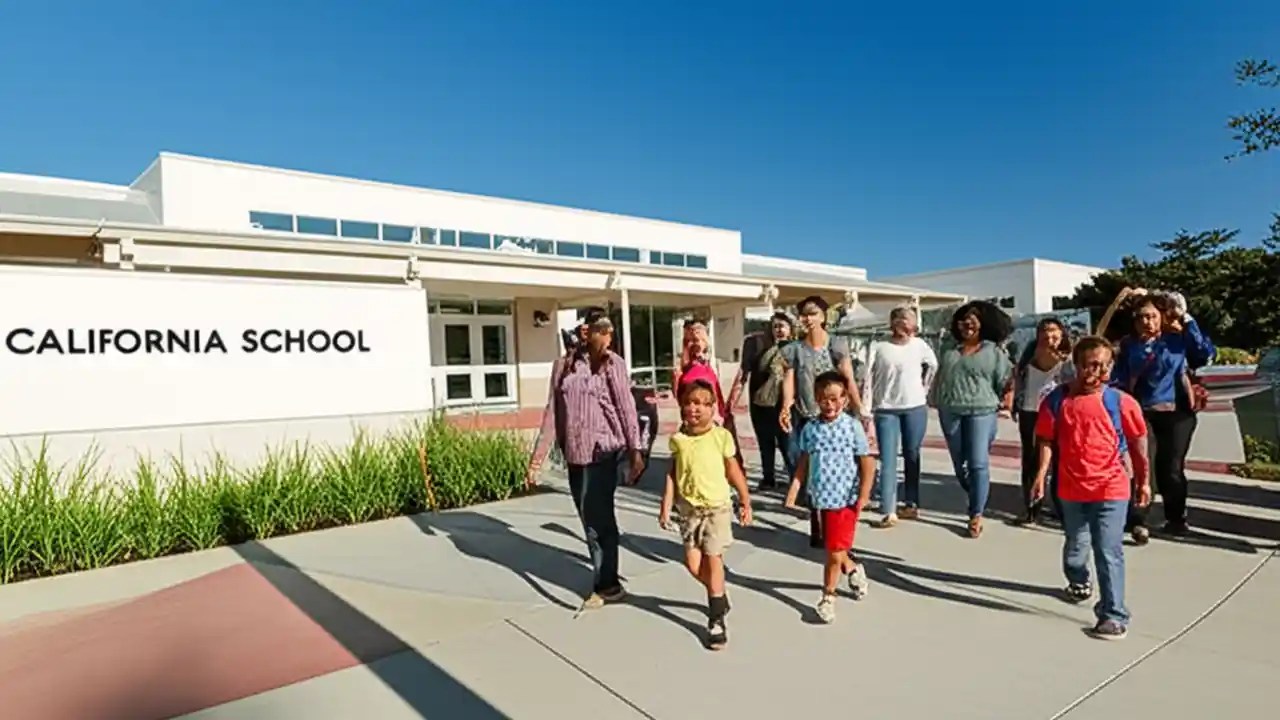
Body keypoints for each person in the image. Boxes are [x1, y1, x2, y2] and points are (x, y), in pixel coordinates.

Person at [1031, 336, 1151, 640]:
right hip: (1071, 489)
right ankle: (1078, 580)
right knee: (1075, 549)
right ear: (1076, 366)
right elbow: (1045, 439)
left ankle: (1113, 614)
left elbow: (1139, 443)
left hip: (1111, 486)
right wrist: (1041, 475)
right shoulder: (1057, 401)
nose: (1095, 372)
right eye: (1088, 365)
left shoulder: (1121, 402)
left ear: (1111, 368)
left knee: (1108, 550)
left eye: (1102, 365)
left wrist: (1144, 480)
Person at [530, 307, 646, 610]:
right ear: (583, 330)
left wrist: (635, 450)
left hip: (603, 451)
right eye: (596, 328)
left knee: (598, 518)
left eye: (606, 329)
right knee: (587, 516)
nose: (602, 335)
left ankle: (607, 584)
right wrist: (537, 457)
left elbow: (626, 407)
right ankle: (604, 569)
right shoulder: (564, 365)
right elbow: (553, 410)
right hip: (575, 454)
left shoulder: (612, 364)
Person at [1101, 288, 1215, 537]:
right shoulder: (1129, 346)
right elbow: (1116, 376)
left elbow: (1204, 353)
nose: (1147, 322)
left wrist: (1186, 318)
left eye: (1152, 316)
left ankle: (1176, 518)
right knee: (1143, 465)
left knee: (1171, 467)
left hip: (1177, 414)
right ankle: (1138, 519)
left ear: (1162, 317)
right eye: (1141, 317)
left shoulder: (1176, 340)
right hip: (1142, 412)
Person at [659, 379, 753, 650]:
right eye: (688, 403)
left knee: (713, 559)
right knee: (692, 563)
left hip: (716, 509)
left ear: (713, 408)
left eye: (700, 403)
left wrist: (745, 499)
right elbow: (672, 474)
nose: (693, 408)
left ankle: (715, 617)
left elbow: (733, 470)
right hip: (689, 512)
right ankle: (719, 593)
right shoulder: (679, 440)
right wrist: (666, 505)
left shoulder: (720, 437)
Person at [784, 371, 875, 624]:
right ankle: (854, 569)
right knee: (833, 547)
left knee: (834, 553)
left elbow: (867, 462)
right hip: (820, 498)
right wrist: (794, 491)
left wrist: (864, 495)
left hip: (846, 498)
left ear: (845, 399)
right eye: (824, 399)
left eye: (835, 399)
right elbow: (804, 461)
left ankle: (828, 596)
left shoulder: (852, 427)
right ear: (816, 399)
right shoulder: (811, 429)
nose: (830, 404)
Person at [779, 295, 866, 548]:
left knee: (836, 470)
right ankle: (816, 522)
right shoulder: (794, 349)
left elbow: (848, 377)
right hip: (807, 416)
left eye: (813, 313)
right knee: (805, 467)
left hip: (836, 417)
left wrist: (859, 409)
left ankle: (839, 520)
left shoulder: (837, 344)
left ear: (824, 316)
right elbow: (789, 379)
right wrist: (786, 405)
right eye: (804, 314)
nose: (808, 319)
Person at [929, 300, 1014, 538]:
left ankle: (976, 513)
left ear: (982, 325)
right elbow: (940, 377)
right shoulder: (949, 349)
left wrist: (1007, 403)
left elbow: (1006, 380)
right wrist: (933, 398)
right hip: (950, 409)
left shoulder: (993, 351)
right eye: (963, 320)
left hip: (982, 410)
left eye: (973, 320)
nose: (967, 324)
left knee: (978, 463)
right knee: (960, 465)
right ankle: (978, 489)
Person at [861, 305, 938, 528]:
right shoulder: (879, 346)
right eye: (901, 322)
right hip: (885, 408)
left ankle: (911, 502)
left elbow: (933, 366)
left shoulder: (920, 346)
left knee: (912, 454)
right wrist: (867, 407)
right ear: (892, 324)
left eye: (909, 323)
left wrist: (924, 390)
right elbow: (867, 376)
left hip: (915, 407)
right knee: (888, 458)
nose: (905, 328)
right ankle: (889, 509)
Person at [1011, 317, 1074, 526]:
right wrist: (1014, 403)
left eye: (1054, 330)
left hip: (1060, 413)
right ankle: (1031, 508)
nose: (1049, 335)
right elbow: (1021, 378)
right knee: (1031, 461)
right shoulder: (1033, 353)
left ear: (1062, 333)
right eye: (1045, 331)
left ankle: (1061, 507)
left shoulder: (1070, 357)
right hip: (1031, 411)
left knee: (1060, 461)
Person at [727, 311, 796, 491]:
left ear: (790, 329)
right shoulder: (756, 345)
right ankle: (768, 478)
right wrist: (732, 399)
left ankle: (796, 482)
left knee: (787, 444)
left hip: (784, 404)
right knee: (765, 443)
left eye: (782, 326)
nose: (779, 330)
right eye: (776, 326)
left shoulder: (794, 348)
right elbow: (744, 372)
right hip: (760, 403)